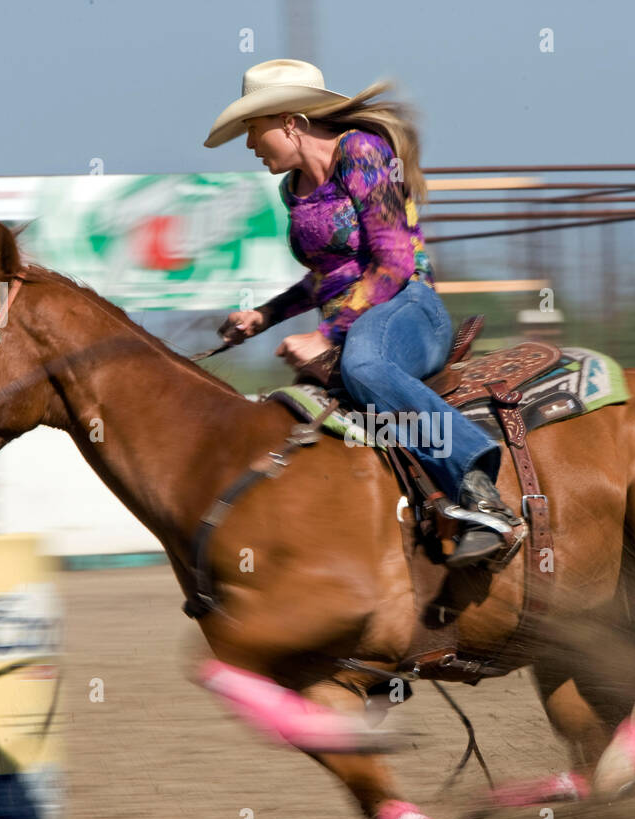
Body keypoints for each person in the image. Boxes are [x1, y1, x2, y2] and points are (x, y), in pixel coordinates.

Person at [204, 59, 520, 568]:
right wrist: (263, 315)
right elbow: (326, 278)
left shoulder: (362, 151)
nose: (248, 145)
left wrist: (327, 334)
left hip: (409, 307)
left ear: (290, 122)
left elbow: (393, 260)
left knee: (365, 367)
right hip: (359, 321)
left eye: (253, 129)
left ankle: (481, 494)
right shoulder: (294, 189)